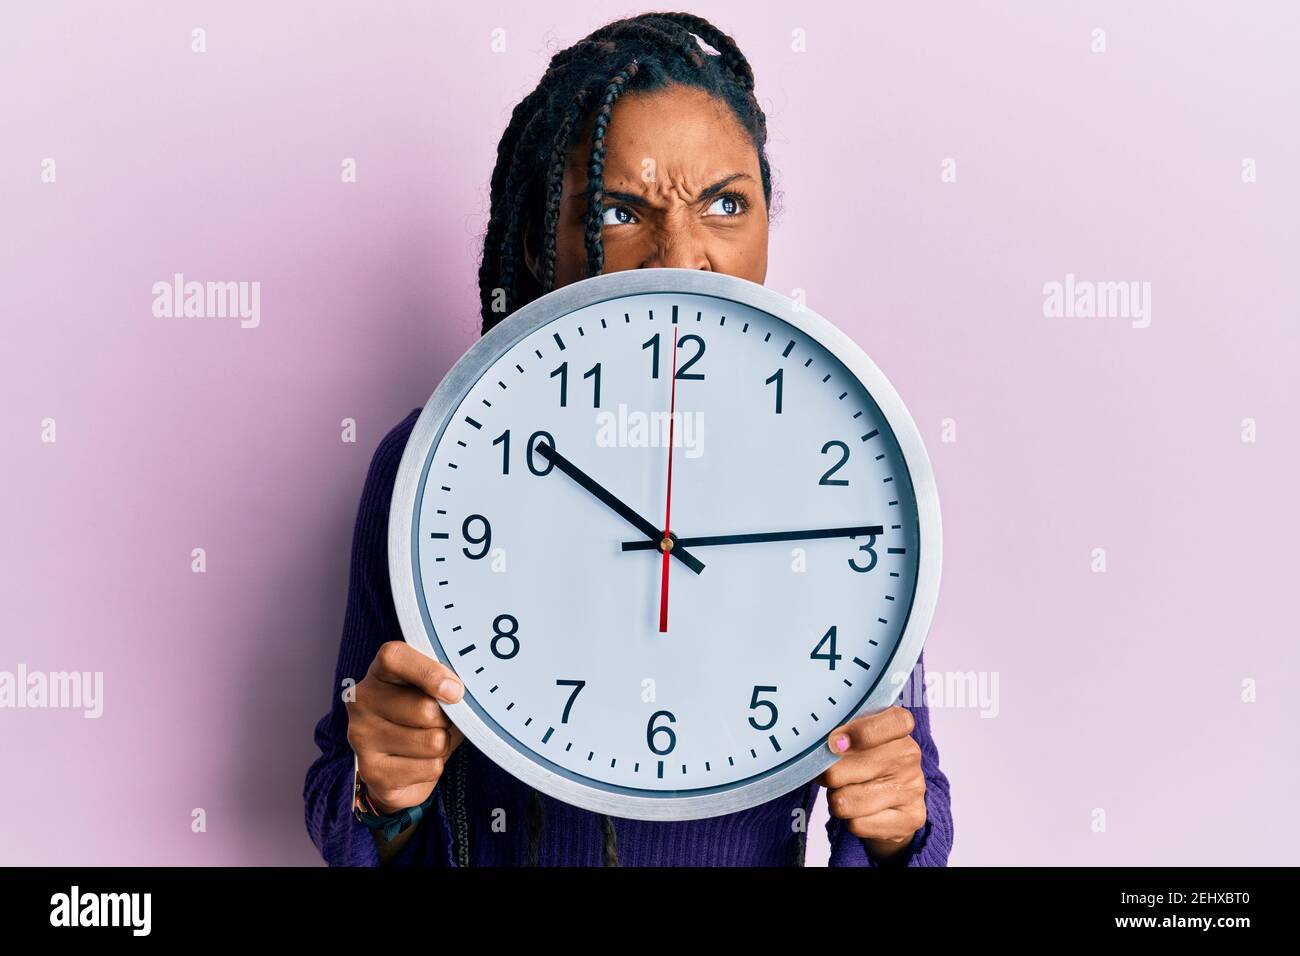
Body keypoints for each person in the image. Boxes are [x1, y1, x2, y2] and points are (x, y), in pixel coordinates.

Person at [304, 10, 953, 867]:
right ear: (542, 244)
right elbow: (339, 801)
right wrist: (380, 788)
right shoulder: (425, 465)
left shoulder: (848, 468)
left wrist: (895, 827)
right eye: (618, 211)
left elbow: (912, 802)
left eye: (726, 203)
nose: (680, 256)